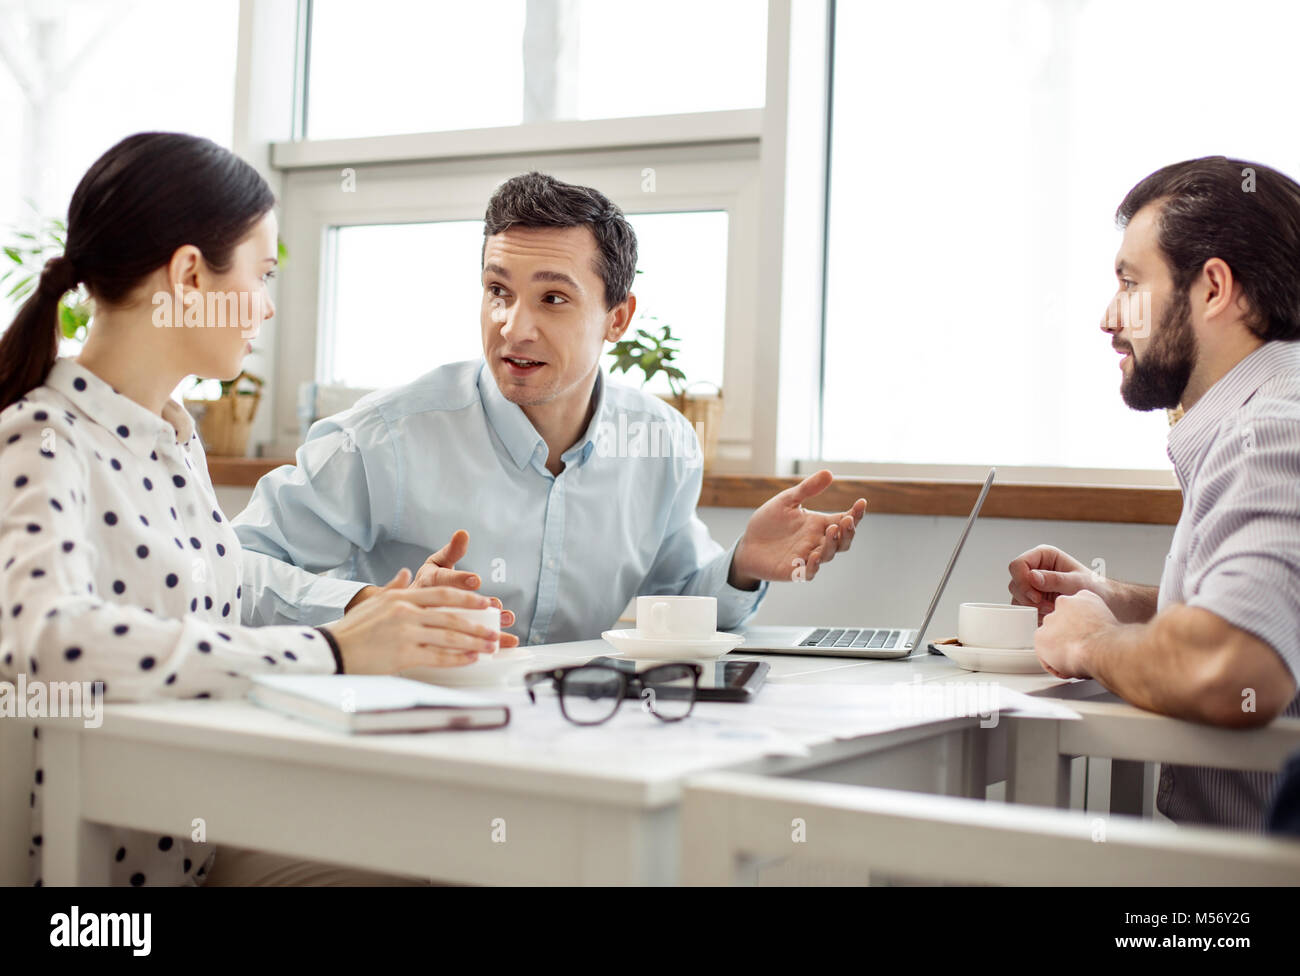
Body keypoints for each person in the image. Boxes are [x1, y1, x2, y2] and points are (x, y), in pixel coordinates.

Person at [0, 132, 518, 886]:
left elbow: (221, 597)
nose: (268, 307)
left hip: (197, 839)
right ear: (187, 273)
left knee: (463, 857)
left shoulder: (172, 439)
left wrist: (382, 610)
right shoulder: (42, 438)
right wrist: (335, 649)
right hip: (94, 891)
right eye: (261, 273)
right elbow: (49, 641)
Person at [234, 172, 868, 646]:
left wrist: (741, 565)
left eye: (554, 299)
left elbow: (676, 598)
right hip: (407, 736)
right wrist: (374, 606)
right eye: (498, 291)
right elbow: (233, 569)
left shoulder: (662, 444)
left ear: (617, 318)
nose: (513, 327)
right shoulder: (382, 438)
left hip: (569, 738)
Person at [1006, 156, 1300, 831]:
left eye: (1130, 283)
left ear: (1215, 288)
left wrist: (1091, 645)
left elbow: (1230, 668)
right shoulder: (1265, 416)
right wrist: (1121, 602)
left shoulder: (1269, 434)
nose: (1109, 319)